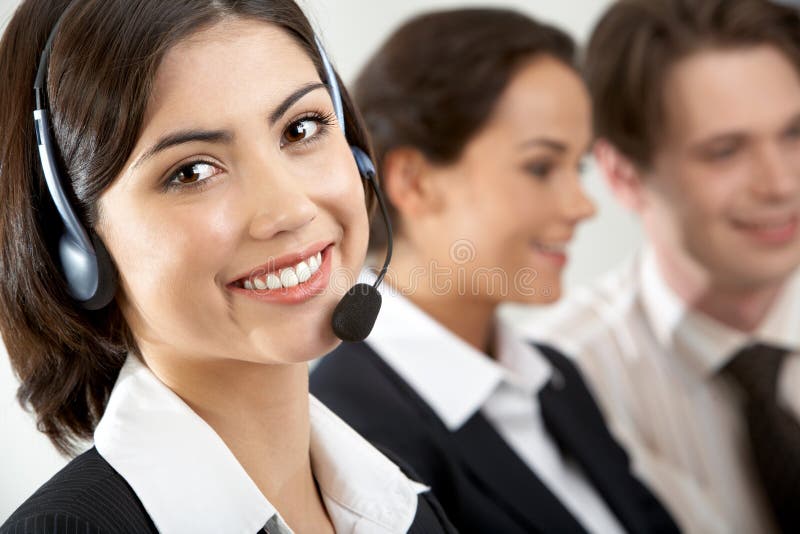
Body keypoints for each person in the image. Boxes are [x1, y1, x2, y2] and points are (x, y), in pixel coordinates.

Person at [0, 1, 457, 532]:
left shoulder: (405, 506)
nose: (290, 210)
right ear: (76, 244)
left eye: (301, 129)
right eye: (192, 171)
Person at [310, 8, 679, 534]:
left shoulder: (554, 378)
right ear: (414, 182)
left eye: (577, 168)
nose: (582, 206)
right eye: (540, 167)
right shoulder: (351, 425)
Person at [527, 0, 800, 532]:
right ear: (622, 174)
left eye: (795, 134)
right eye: (725, 151)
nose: (781, 183)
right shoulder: (563, 386)